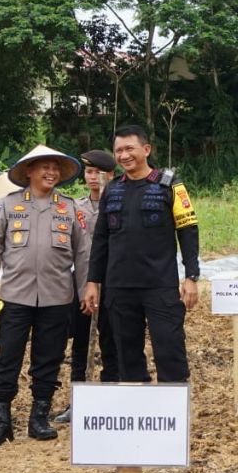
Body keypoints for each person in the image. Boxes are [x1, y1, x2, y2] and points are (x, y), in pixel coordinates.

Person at [0, 146, 90, 448]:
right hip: (16, 295)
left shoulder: (69, 207)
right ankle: (0, 420)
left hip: (57, 297)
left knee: (49, 357)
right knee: (7, 356)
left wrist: (85, 291)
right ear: (29, 171)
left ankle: (39, 418)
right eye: (44, 167)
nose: (51, 173)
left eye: (55, 168)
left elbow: (82, 253)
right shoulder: (8, 205)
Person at [84, 125, 199, 386]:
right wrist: (93, 281)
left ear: (146, 150)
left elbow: (188, 231)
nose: (124, 155)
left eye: (129, 149)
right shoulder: (112, 189)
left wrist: (191, 276)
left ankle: (172, 406)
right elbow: (101, 239)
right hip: (119, 287)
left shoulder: (170, 186)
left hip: (160, 285)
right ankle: (136, 404)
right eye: (118, 151)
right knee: (126, 356)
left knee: (170, 351)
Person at [54, 150, 119, 424]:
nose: (94, 178)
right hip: (81, 284)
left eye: (99, 173)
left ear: (111, 175)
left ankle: (110, 399)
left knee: (111, 343)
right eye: (89, 172)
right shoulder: (75, 207)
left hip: (114, 284)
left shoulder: (118, 202)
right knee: (80, 344)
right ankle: (78, 401)